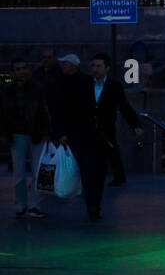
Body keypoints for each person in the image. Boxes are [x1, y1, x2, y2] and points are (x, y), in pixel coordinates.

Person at [57, 52, 144, 222]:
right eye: (93, 66)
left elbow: (124, 107)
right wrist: (64, 132)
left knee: (100, 173)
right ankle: (92, 206)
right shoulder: (83, 84)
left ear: (107, 68)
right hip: (84, 136)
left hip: (104, 137)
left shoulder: (113, 87)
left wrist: (136, 126)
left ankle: (96, 203)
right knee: (88, 172)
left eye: (99, 66)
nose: (95, 69)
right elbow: (69, 110)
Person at [1, 58, 51, 219]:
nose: (21, 72)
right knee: (19, 173)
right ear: (13, 72)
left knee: (37, 171)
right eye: (18, 69)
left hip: (34, 132)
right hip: (17, 133)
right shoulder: (8, 91)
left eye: (23, 68)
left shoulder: (37, 89)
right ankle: (22, 205)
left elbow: (44, 111)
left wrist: (46, 132)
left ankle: (34, 205)